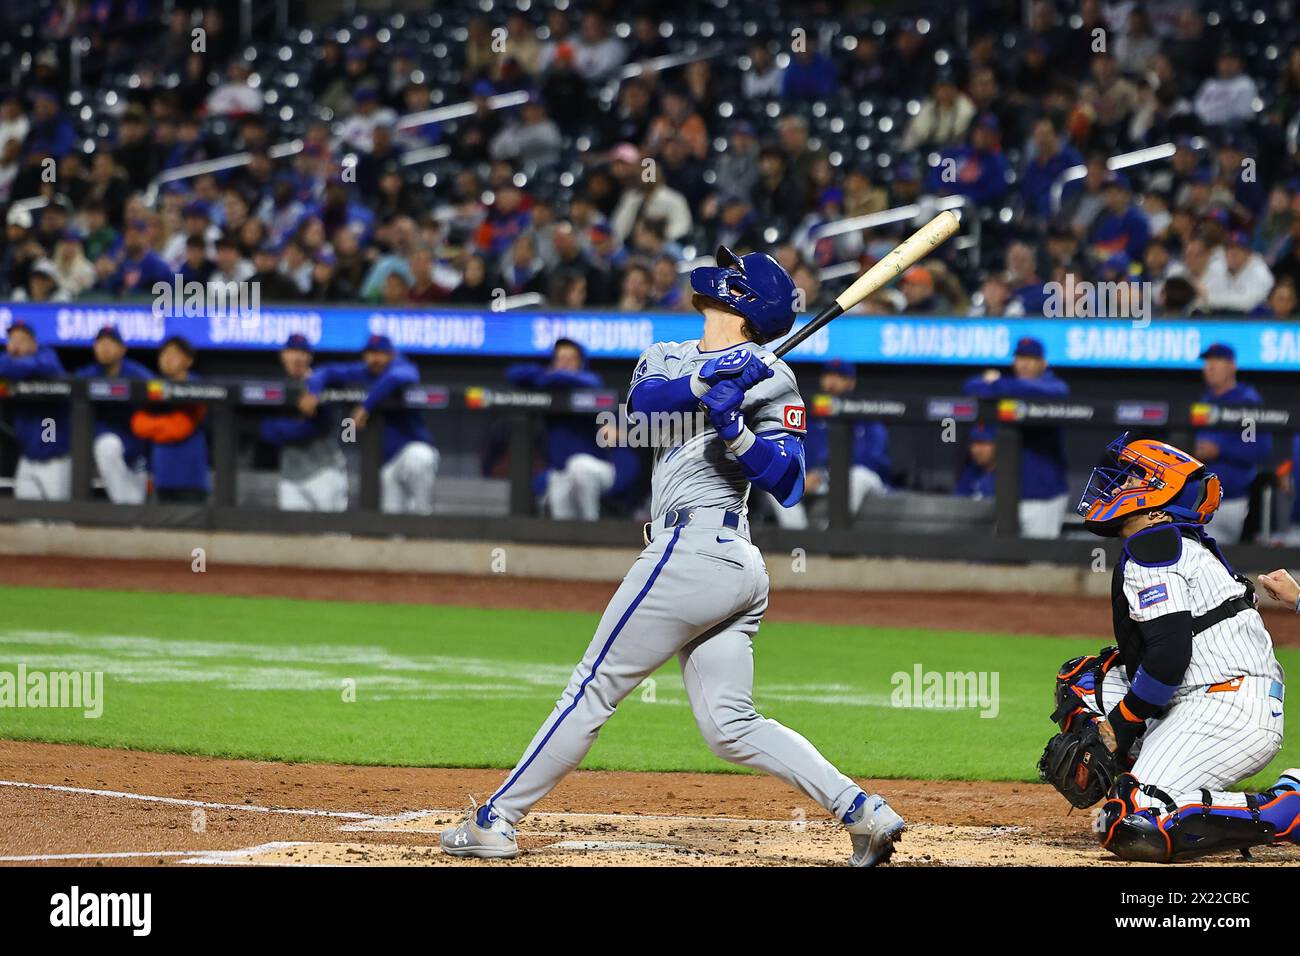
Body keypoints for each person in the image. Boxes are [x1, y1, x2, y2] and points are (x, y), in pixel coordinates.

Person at [440, 246, 904, 866]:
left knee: (592, 687)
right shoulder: (666, 356)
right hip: (712, 562)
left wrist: (735, 427)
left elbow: (788, 481)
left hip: (703, 550)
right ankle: (864, 812)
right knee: (730, 724)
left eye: (731, 272)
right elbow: (643, 409)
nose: (717, 272)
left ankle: (497, 820)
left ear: (742, 299)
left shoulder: (777, 377)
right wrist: (706, 382)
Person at [1040, 435, 1295, 862]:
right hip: (1207, 694)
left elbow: (1169, 657)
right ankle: (1160, 776)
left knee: (1132, 824)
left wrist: (1119, 726)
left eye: (1132, 476)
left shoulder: (1153, 546)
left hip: (1227, 710)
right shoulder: (1174, 542)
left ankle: (1288, 806)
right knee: (1084, 684)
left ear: (1156, 493)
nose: (1116, 484)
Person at [300, 334, 437, 515]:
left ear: (391, 354)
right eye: (369, 353)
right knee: (392, 524)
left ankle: (425, 520)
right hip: (384, 462)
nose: (373, 359)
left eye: (379, 353)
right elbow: (325, 371)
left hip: (408, 449)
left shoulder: (403, 367)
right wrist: (313, 392)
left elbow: (395, 378)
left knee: (420, 459)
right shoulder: (365, 371)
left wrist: (366, 406)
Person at [963, 338, 1070, 538]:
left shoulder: (1052, 385)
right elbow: (970, 386)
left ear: (1043, 363)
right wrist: (1001, 385)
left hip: (1043, 495)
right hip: (1007, 494)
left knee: (1040, 561)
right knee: (1002, 560)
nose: (1025, 363)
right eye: (1020, 357)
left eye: (1031, 358)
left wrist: (996, 384)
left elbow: (1053, 392)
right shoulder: (1007, 385)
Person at [772, 360, 890, 531]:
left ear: (851, 382)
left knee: (857, 476)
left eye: (839, 376)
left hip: (865, 480)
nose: (832, 381)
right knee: (776, 475)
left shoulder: (866, 414)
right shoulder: (811, 416)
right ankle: (798, 536)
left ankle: (829, 535)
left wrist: (823, 473)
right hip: (820, 479)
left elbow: (870, 460)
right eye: (828, 375)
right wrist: (804, 475)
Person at [506, 338, 609, 521]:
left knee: (579, 466)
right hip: (559, 471)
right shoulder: (549, 381)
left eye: (571, 359)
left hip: (595, 467)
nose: (565, 364)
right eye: (561, 359)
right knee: (558, 493)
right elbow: (513, 373)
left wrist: (552, 376)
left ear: (580, 362)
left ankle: (593, 525)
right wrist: (548, 373)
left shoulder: (589, 381)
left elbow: (591, 382)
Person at [259, 334, 347, 512]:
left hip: (325, 473)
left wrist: (282, 430)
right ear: (283, 355)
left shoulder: (324, 384)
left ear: (310, 357)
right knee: (292, 538)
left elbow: (318, 427)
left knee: (331, 537)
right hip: (290, 477)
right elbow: (264, 431)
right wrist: (293, 429)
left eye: (302, 352)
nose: (297, 357)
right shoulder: (276, 386)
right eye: (292, 351)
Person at [1194, 343, 1271, 544]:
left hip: (1235, 499)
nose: (1209, 367)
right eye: (1207, 361)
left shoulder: (1247, 400)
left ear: (1232, 366)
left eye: (1216, 360)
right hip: (1204, 500)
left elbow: (1258, 449)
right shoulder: (1205, 401)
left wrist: (1220, 450)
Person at [73, 326, 151, 504]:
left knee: (137, 499)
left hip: (136, 444)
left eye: (110, 342)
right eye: (100, 342)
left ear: (122, 349)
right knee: (107, 446)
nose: (104, 347)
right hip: (101, 439)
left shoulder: (139, 375)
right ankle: (126, 513)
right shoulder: (85, 375)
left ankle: (132, 517)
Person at [130, 336, 210, 503]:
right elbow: (138, 425)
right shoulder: (154, 387)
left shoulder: (200, 387)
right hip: (161, 474)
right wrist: (164, 426)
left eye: (174, 354)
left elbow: (181, 428)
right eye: (164, 353)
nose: (167, 358)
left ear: (188, 361)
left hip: (191, 478)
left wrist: (155, 427)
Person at [0, 321, 70, 500]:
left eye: (21, 340)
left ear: (34, 343)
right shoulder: (7, 360)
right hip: (27, 458)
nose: (15, 345)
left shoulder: (47, 355)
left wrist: (14, 363)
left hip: (55, 460)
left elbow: (40, 366)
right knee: (27, 521)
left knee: (59, 520)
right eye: (11, 340)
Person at [954, 423, 997, 499]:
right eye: (973, 443)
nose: (976, 449)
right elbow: (956, 504)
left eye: (983, 443)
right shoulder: (970, 472)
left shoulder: (1010, 474)